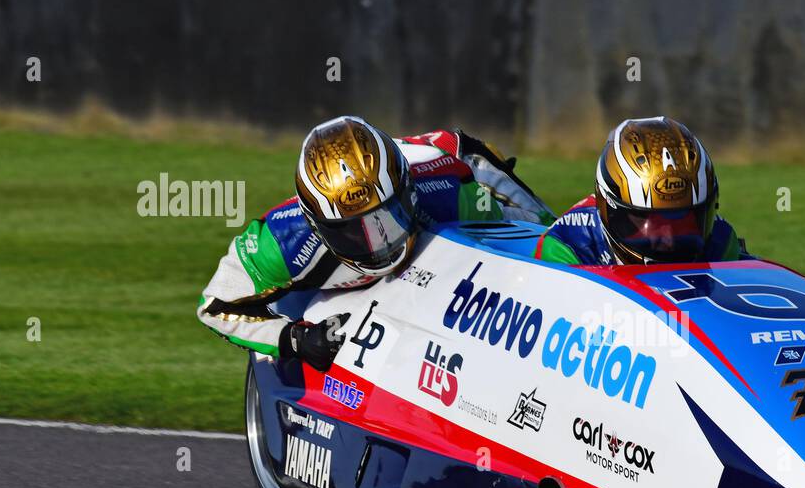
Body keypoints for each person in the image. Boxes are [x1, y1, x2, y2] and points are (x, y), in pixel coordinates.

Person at [197, 115, 547, 370]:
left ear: (407, 193)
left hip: (457, 158)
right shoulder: (283, 241)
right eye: (352, 230)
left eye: (389, 215)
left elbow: (526, 243)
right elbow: (214, 306)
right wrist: (294, 340)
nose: (379, 241)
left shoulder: (452, 191)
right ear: (318, 225)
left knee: (547, 232)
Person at [534, 116, 747, 265]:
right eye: (651, 224)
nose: (668, 241)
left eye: (682, 222)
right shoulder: (568, 249)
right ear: (610, 211)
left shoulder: (720, 243)